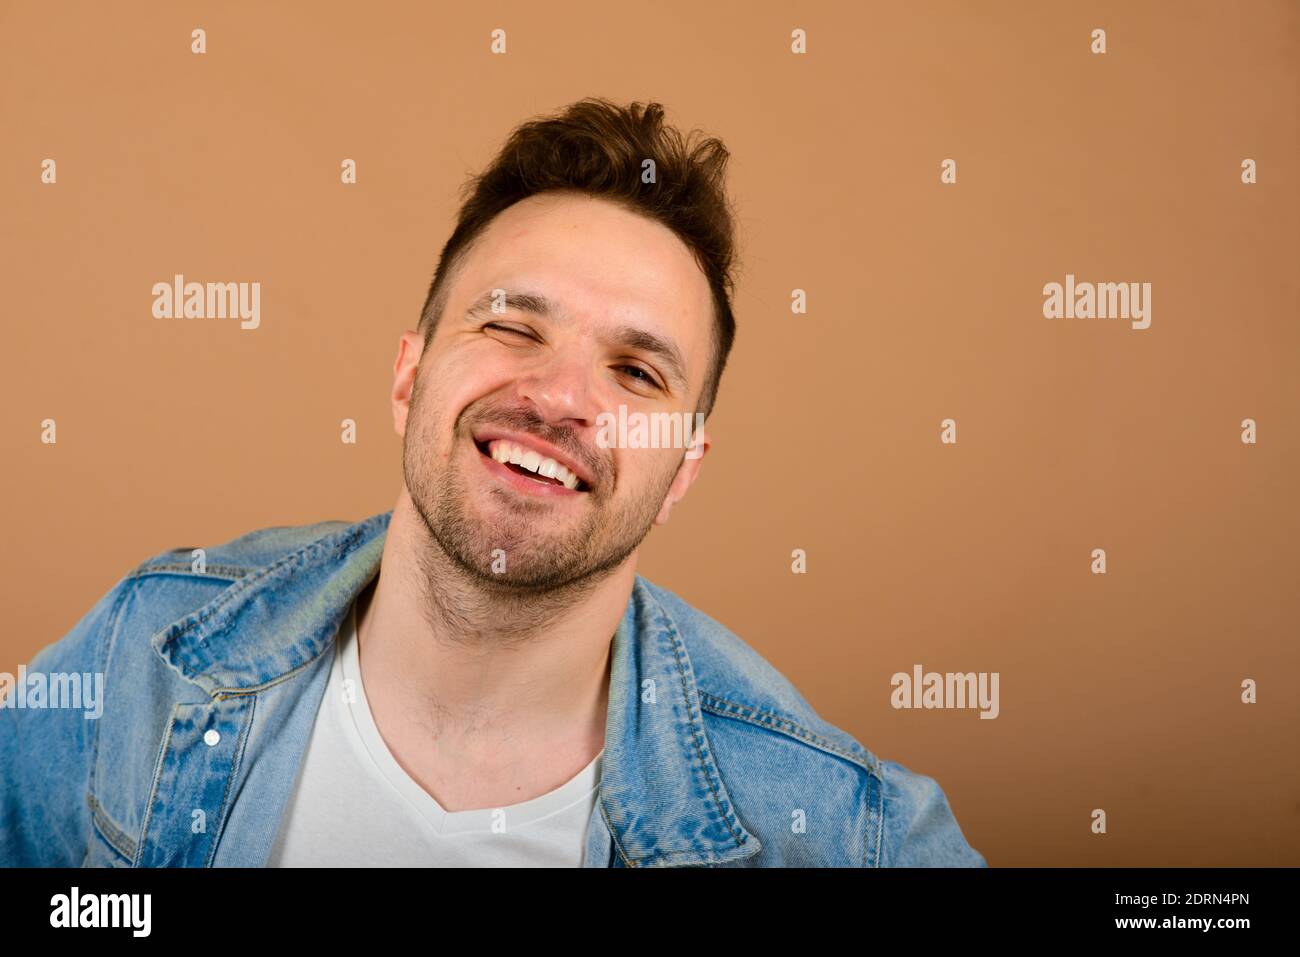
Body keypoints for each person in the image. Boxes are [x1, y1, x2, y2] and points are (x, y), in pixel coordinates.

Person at [0, 98, 984, 868]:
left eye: (637, 373)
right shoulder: (151, 644)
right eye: (512, 325)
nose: (558, 397)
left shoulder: (833, 824)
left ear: (682, 470)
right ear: (407, 377)